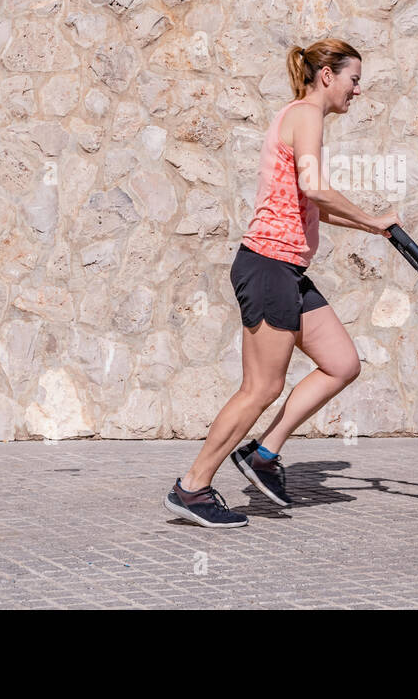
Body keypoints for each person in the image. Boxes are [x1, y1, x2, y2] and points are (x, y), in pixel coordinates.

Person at [164, 39, 401, 528]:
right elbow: (315, 188)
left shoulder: (302, 119)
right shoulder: (306, 115)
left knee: (341, 363)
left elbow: (313, 204)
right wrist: (373, 216)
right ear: (328, 76)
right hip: (267, 265)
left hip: (287, 268)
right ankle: (193, 486)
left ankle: (263, 454)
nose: (358, 90)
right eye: (354, 79)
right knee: (262, 387)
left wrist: (372, 226)